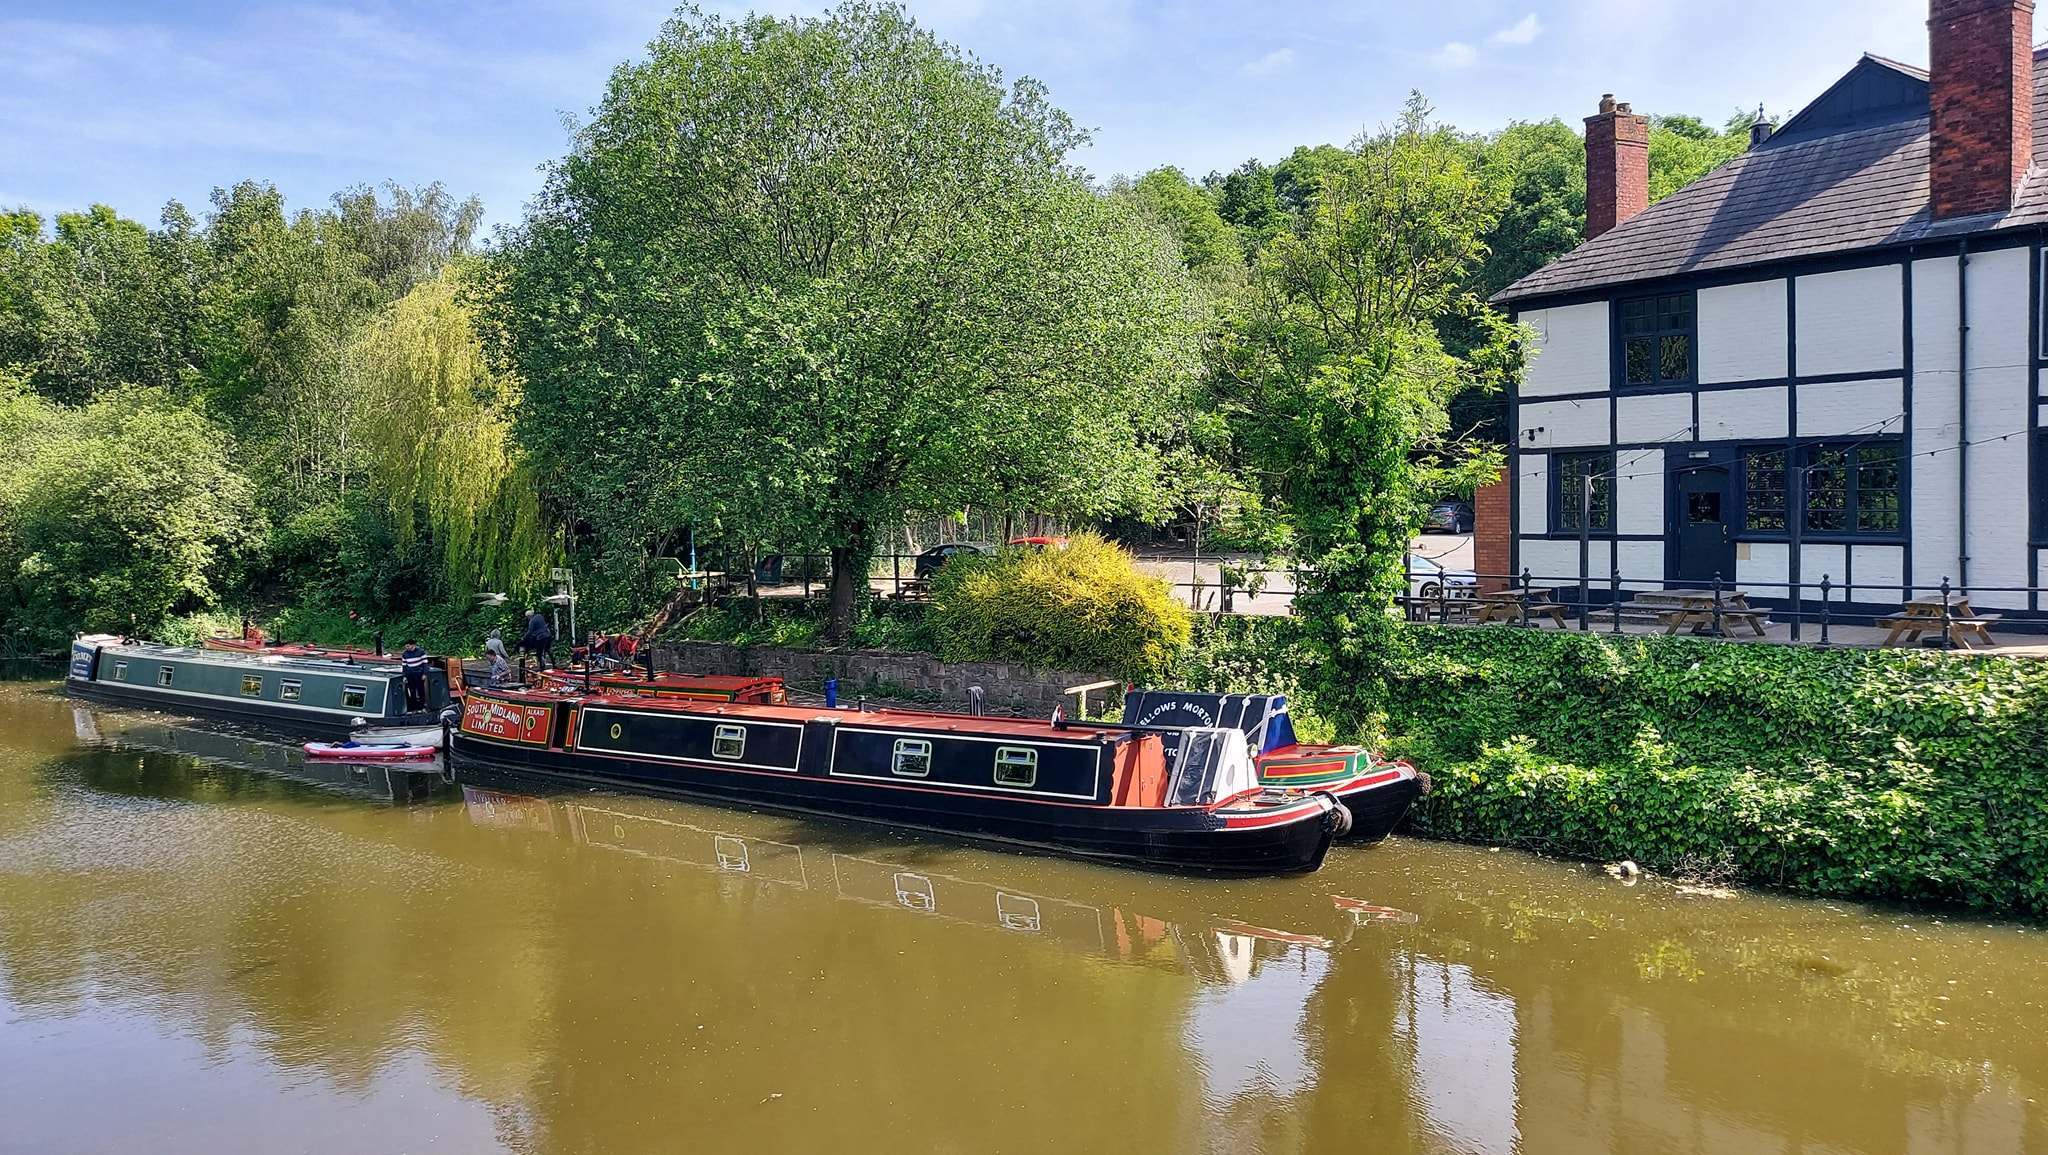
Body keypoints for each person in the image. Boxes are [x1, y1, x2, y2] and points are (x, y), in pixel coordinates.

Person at [399, 638, 429, 712]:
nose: (407, 648)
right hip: (410, 675)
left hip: (419, 674)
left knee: (421, 692)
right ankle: (414, 708)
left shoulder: (421, 652)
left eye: (408, 646)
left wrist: (424, 674)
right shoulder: (405, 654)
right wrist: (404, 676)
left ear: (413, 645)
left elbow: (425, 664)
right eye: (406, 646)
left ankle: (422, 707)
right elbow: (404, 666)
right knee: (412, 692)